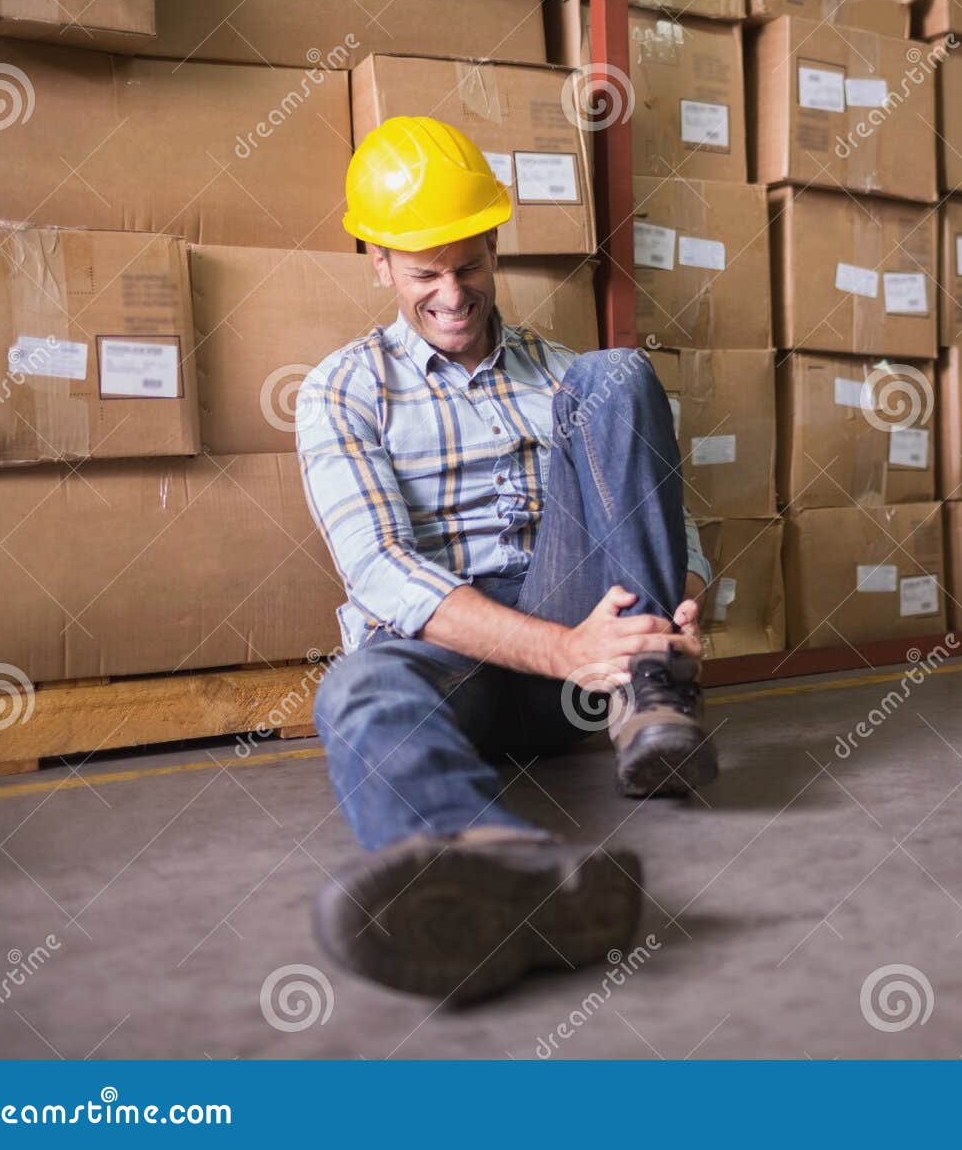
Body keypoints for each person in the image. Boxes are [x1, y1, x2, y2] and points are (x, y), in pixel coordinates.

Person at [296, 116, 717, 1004]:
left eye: (468, 265)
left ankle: (651, 691)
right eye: (425, 274)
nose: (452, 294)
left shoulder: (565, 376)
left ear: (494, 246)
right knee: (356, 688)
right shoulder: (344, 387)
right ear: (379, 262)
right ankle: (497, 866)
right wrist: (563, 650)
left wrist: (676, 609)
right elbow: (378, 568)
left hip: (589, 653)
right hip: (457, 666)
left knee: (617, 373)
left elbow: (678, 533)